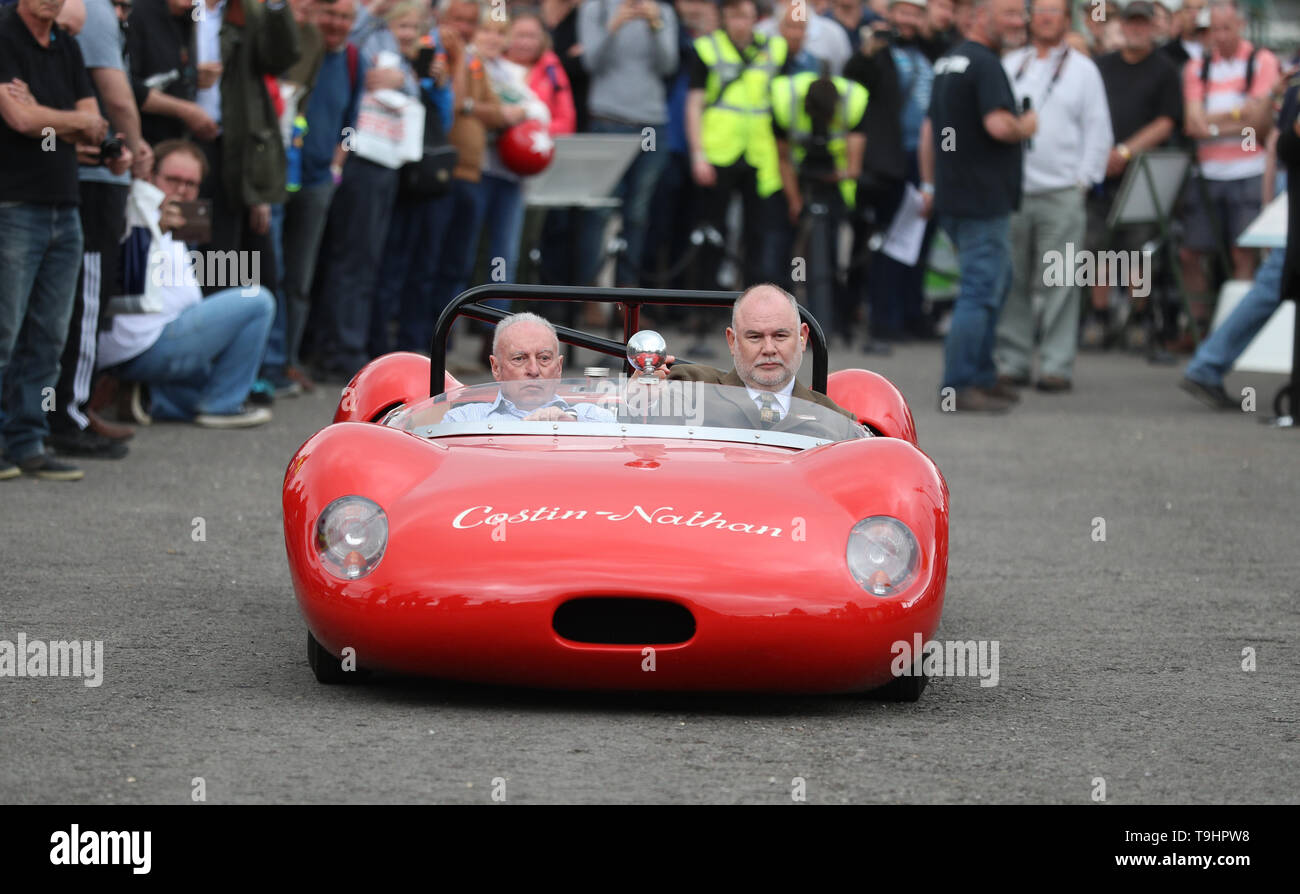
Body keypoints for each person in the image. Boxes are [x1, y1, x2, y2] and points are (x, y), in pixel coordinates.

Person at [0, 0, 108, 482]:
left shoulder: (66, 45)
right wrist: (68, 121)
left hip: (65, 206)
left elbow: (95, 124)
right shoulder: (4, 35)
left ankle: (27, 441)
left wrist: (46, 113)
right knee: (5, 332)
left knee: (48, 336)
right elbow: (20, 121)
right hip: (13, 205)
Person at [97, 140, 275, 427]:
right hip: (141, 344)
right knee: (258, 300)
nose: (181, 190)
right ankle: (222, 407)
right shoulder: (135, 210)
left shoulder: (179, 222)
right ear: (151, 176)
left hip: (155, 341)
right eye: (172, 180)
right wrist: (156, 229)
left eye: (190, 184)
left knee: (212, 382)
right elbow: (119, 275)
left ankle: (149, 398)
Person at [918, 0, 1036, 413]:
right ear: (981, 17)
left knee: (994, 285)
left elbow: (929, 131)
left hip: (955, 197)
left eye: (1021, 13)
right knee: (980, 291)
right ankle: (959, 384)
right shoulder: (985, 63)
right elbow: (999, 125)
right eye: (1009, 13)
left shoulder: (948, 62)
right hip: (982, 201)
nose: (1020, 21)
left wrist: (929, 184)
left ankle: (982, 375)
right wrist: (1027, 124)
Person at [996, 0, 1112, 394]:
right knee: (1013, 279)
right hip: (1016, 193)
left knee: (1061, 281)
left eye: (1054, 11)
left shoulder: (1084, 70)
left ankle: (1056, 365)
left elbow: (1098, 130)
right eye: (1041, 10)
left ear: (1067, 19)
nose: (1046, 17)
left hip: (1062, 192)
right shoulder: (1012, 64)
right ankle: (1013, 361)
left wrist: (1083, 181)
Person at [50, 0, 146, 460]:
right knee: (86, 301)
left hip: (77, 173)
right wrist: (139, 152)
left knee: (70, 305)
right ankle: (69, 415)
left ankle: (64, 410)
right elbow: (118, 98)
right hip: (95, 177)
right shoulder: (94, 10)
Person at [1084, 0, 1181, 349]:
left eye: (1143, 23)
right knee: (1096, 247)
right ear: (1122, 25)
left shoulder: (1165, 69)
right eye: (1131, 23)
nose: (1136, 29)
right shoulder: (1101, 66)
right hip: (1100, 171)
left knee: (1138, 251)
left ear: (1153, 27)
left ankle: (1138, 319)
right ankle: (1099, 317)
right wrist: (1101, 154)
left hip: (1143, 173)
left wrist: (1125, 152)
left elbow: (1166, 122)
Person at [1179, 0, 1279, 335]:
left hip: (1248, 169)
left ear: (1240, 26)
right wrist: (1238, 113)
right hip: (1207, 173)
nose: (1219, 36)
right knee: (1191, 251)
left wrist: (1215, 122)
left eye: (1226, 28)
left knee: (1243, 252)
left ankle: (1237, 330)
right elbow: (1193, 124)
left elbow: (1258, 121)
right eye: (1214, 29)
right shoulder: (1197, 67)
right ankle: (1198, 327)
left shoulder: (1262, 60)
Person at [652, 285, 860, 437]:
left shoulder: (838, 422)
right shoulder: (688, 389)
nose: (768, 349)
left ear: (802, 337)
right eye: (755, 337)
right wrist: (643, 398)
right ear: (732, 341)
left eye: (780, 336)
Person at [687, 0, 789, 290]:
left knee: (758, 232)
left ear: (756, 17)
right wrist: (698, 156)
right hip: (718, 151)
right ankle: (705, 302)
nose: (740, 22)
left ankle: (756, 301)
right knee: (712, 230)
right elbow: (693, 105)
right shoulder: (707, 48)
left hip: (760, 154)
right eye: (733, 16)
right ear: (724, 18)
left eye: (745, 16)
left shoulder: (775, 48)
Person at [577, 0, 678, 288]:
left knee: (637, 214)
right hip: (607, 120)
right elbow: (591, 62)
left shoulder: (663, 12)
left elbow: (668, 65)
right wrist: (614, 25)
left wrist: (656, 25)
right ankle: (589, 293)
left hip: (650, 125)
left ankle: (627, 294)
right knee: (598, 211)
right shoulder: (595, 8)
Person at [442, 312, 616, 421]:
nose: (533, 370)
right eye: (519, 358)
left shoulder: (595, 417)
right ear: (496, 368)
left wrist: (573, 426)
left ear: (559, 367)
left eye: (544, 358)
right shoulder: (463, 420)